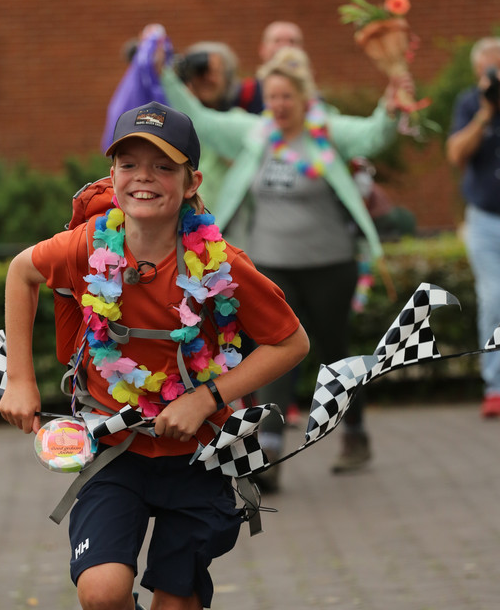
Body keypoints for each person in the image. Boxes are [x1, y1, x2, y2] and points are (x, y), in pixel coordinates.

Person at [0, 101, 309, 610]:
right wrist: (19, 378)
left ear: (191, 182)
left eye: (161, 167)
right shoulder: (88, 247)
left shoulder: (222, 263)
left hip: (200, 460)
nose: (143, 177)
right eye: (127, 163)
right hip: (115, 452)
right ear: (111, 176)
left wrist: (208, 396)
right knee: (103, 594)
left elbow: (290, 343)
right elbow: (22, 270)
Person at [160, 47, 410, 482]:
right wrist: (160, 71)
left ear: (304, 98)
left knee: (336, 353)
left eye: (286, 98)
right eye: (271, 97)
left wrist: (390, 108)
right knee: (270, 349)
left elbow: (372, 136)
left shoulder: (326, 132)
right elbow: (198, 114)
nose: (277, 106)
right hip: (270, 267)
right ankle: (269, 451)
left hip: (330, 264)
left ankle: (353, 431)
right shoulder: (253, 133)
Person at [446, 36, 500, 418]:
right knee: (495, 298)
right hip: (485, 218)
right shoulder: (471, 102)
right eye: (490, 71)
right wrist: (485, 112)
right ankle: (495, 386)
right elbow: (456, 154)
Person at [234, 21, 304, 113]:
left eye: (292, 41)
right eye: (277, 40)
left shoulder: (313, 99)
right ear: (262, 49)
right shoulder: (243, 94)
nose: (285, 46)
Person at [174, 40, 239, 110]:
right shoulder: (173, 112)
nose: (206, 78)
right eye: (199, 71)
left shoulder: (238, 117)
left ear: (227, 78)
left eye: (212, 72)